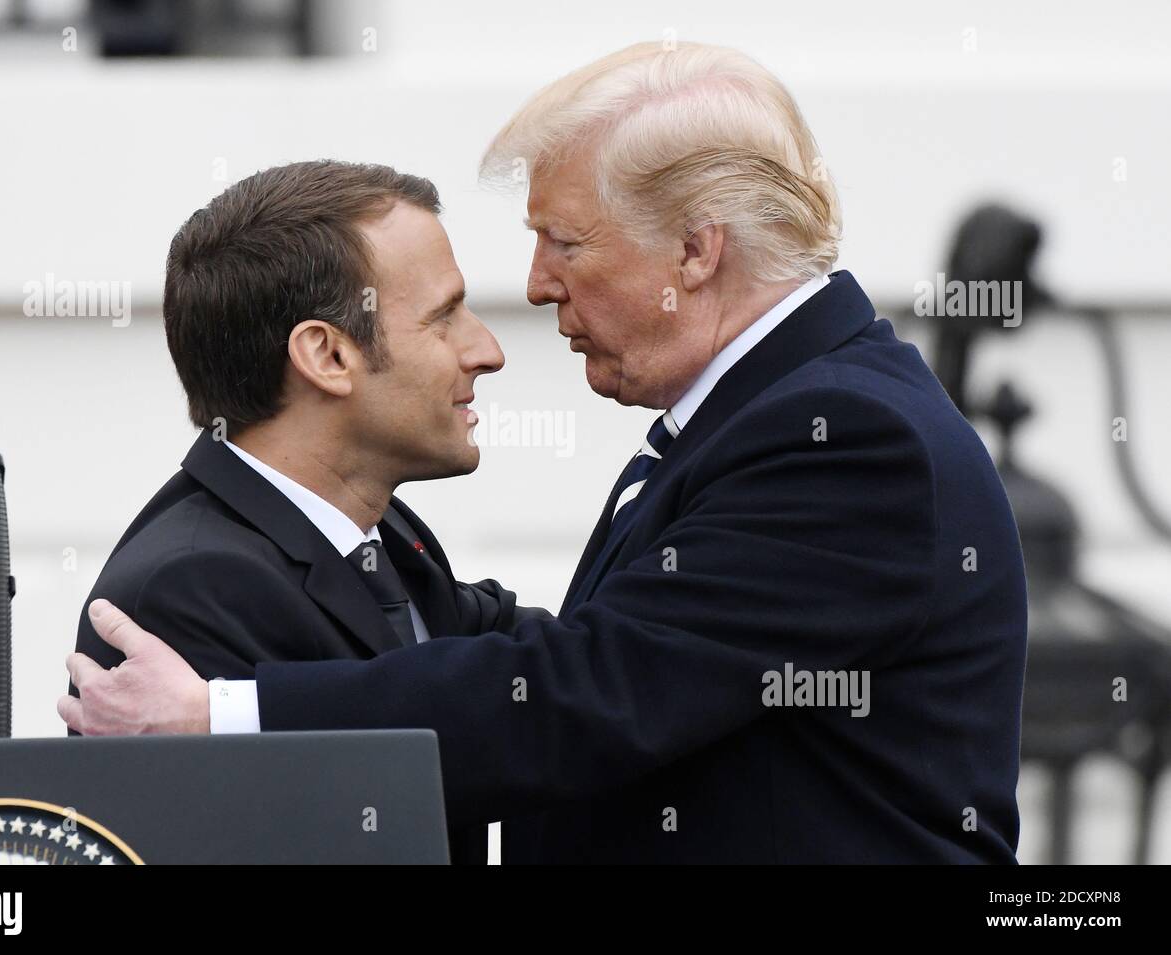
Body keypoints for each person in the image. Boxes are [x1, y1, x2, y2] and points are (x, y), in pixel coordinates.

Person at [62, 42, 1028, 864]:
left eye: (564, 241)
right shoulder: (781, 411)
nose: (534, 287)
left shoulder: (845, 436)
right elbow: (578, 659)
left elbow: (594, 687)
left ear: (695, 252)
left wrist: (226, 717)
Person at [69, 159, 537, 864]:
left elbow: (550, 673)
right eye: (443, 318)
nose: (486, 351)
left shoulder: (380, 534)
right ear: (327, 355)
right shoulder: (189, 589)